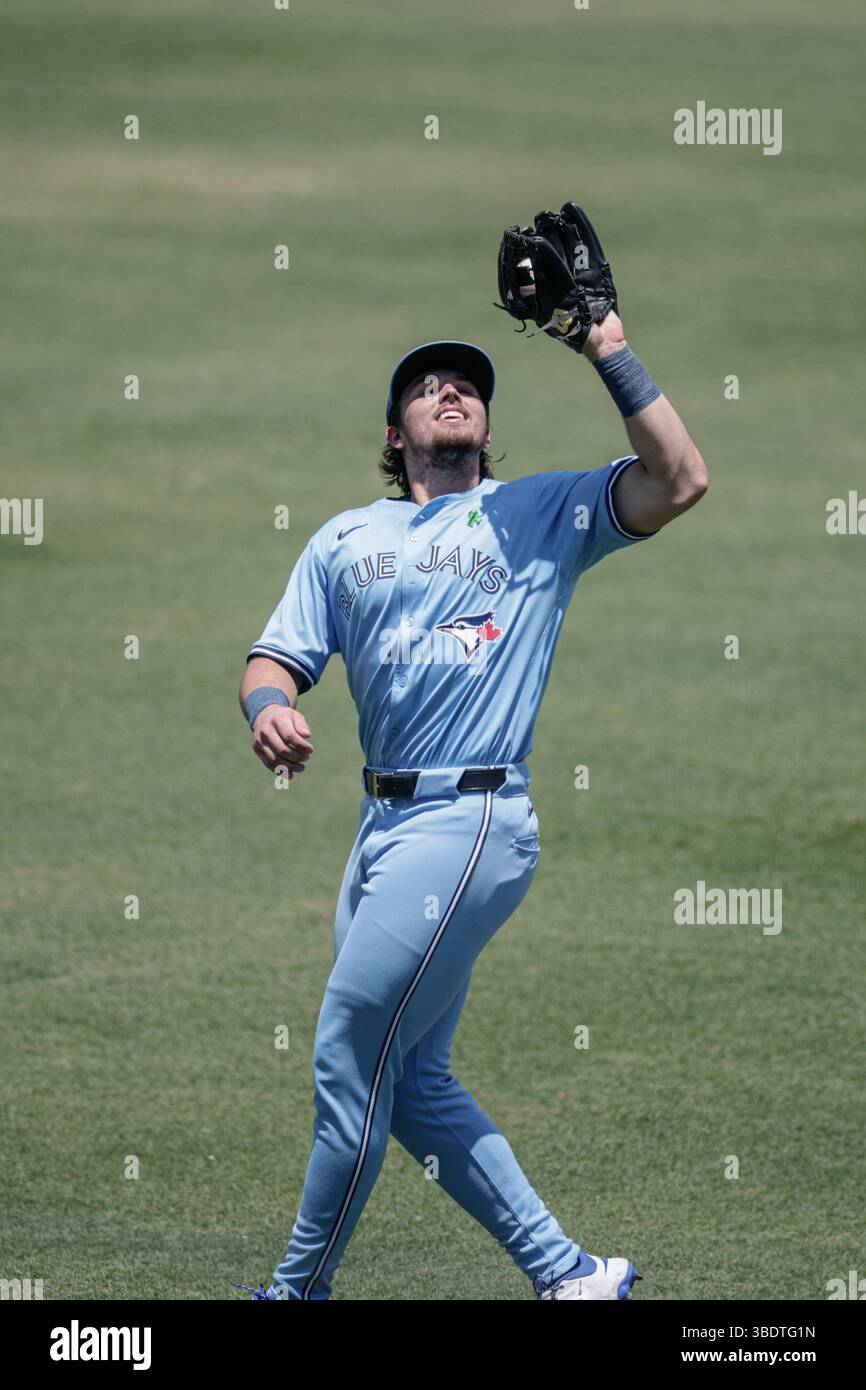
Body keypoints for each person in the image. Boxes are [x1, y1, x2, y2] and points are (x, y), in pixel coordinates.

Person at [235, 312, 707, 1301]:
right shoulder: (343, 540)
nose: (450, 392)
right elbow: (274, 656)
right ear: (394, 433)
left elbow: (677, 478)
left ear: (484, 428)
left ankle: (292, 1293)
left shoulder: (540, 514)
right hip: (380, 835)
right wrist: (269, 707)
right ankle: (568, 1275)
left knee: (346, 1058)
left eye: (467, 386)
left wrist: (604, 347)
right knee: (406, 1085)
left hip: (471, 821)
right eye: (425, 386)